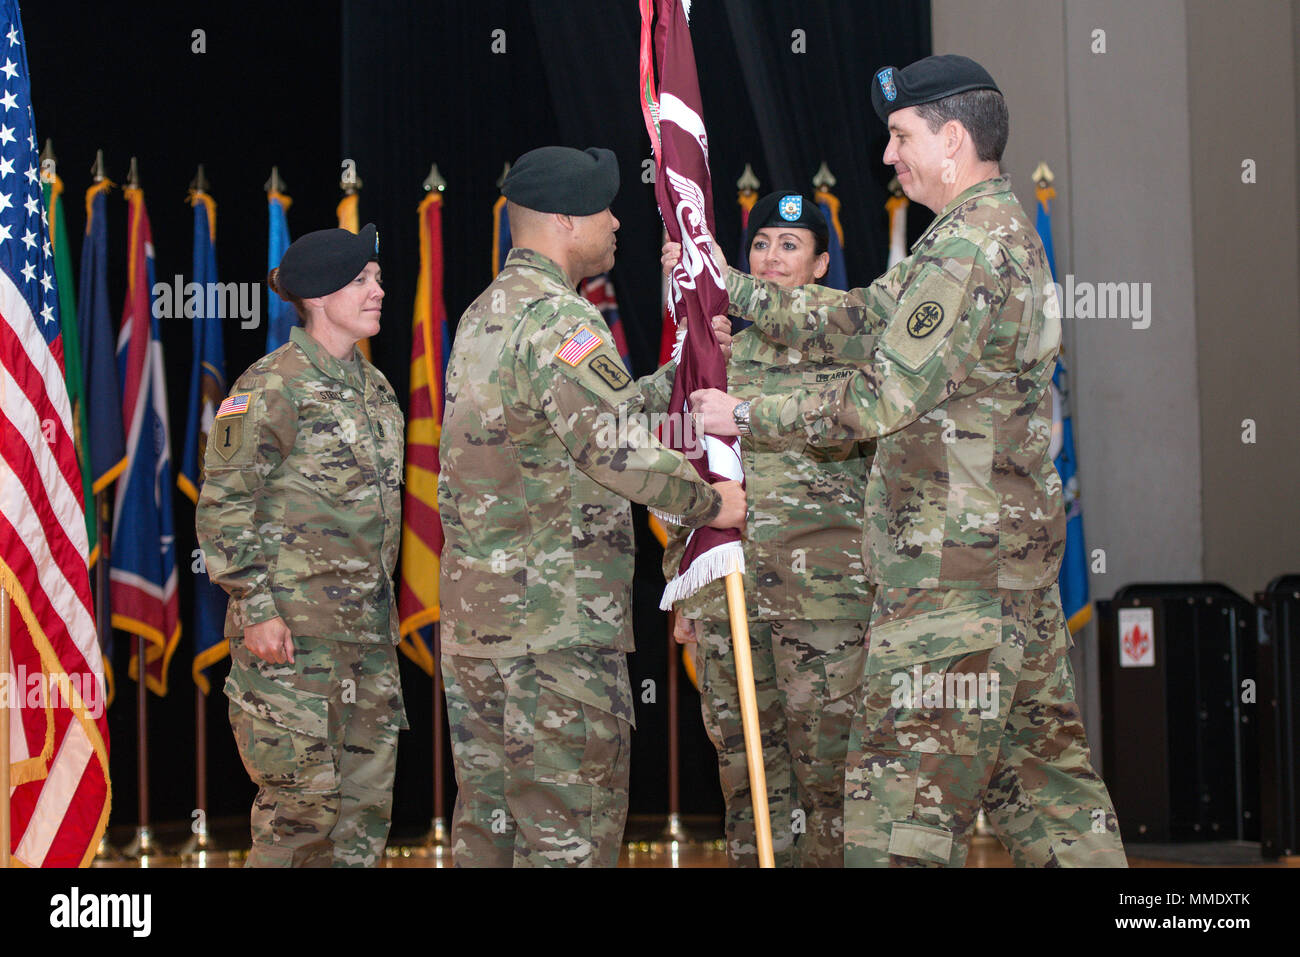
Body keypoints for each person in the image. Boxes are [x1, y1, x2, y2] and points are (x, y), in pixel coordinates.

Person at [691, 55, 1128, 867]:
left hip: (949, 587)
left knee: (897, 819)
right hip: (1006, 579)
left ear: (953, 138)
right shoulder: (980, 236)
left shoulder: (967, 250)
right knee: (1048, 797)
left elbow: (878, 395)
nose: (886, 156)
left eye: (900, 136)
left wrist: (744, 410)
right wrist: (730, 284)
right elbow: (859, 316)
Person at [438, 145, 746, 868]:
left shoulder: (486, 316)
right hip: (557, 636)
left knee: (490, 835)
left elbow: (571, 427)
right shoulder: (561, 321)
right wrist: (712, 503)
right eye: (605, 208)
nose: (616, 221)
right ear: (564, 220)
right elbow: (619, 453)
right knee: (567, 838)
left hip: (483, 630)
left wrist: (681, 379)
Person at [656, 192, 875, 867]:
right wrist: (684, 586)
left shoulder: (852, 358)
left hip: (825, 602)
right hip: (733, 594)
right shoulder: (717, 359)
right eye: (760, 244)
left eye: (789, 245)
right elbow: (679, 474)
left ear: (820, 266)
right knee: (747, 770)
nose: (771, 257)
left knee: (832, 771)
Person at [196, 223, 407, 867]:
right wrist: (255, 607)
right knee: (299, 818)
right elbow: (223, 505)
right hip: (292, 642)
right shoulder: (269, 386)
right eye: (362, 280)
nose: (378, 289)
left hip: (368, 642)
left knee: (361, 825)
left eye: (375, 277)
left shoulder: (377, 392)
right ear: (318, 295)